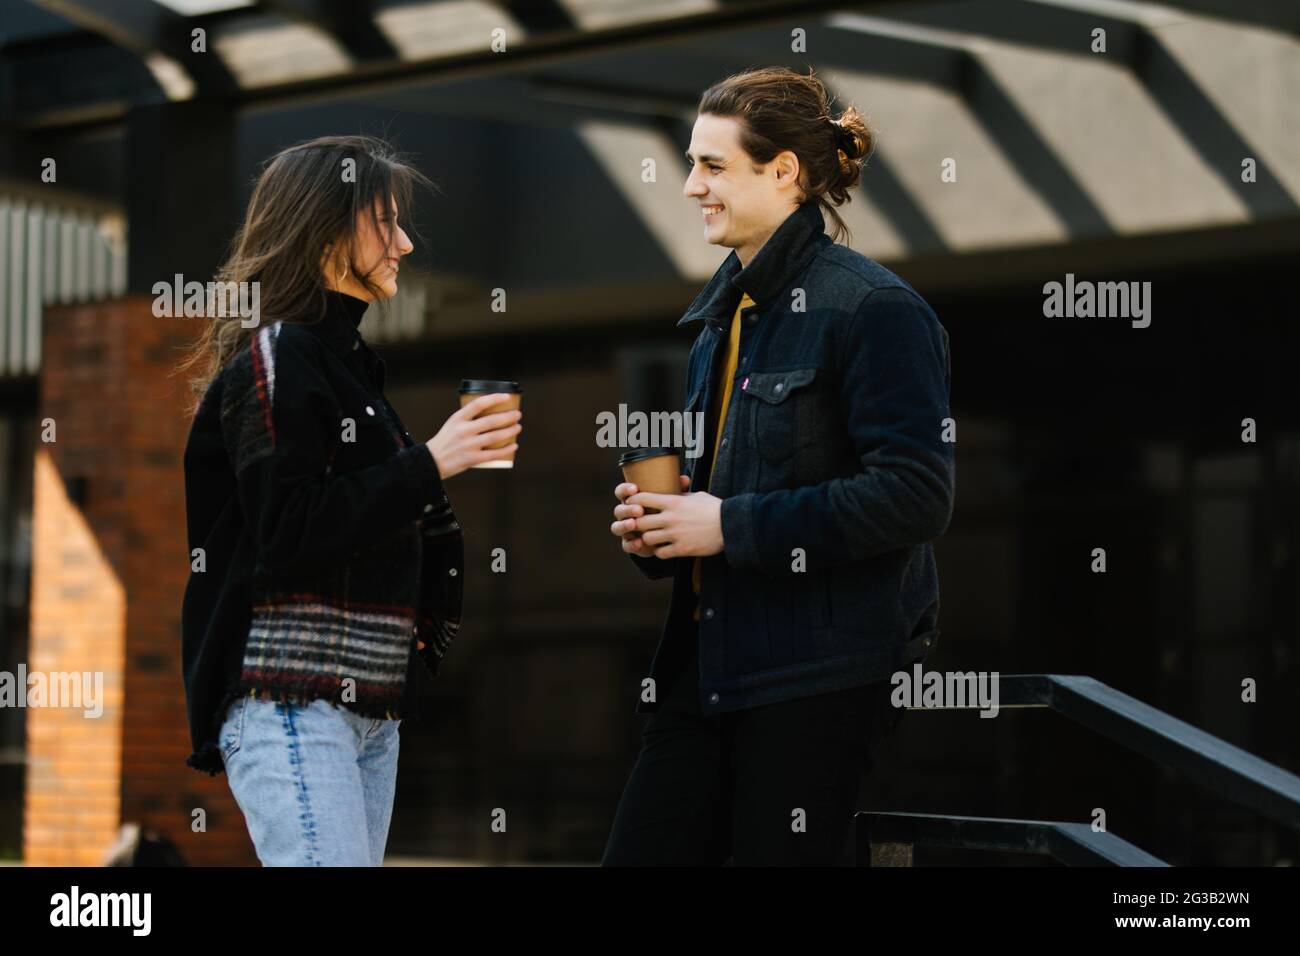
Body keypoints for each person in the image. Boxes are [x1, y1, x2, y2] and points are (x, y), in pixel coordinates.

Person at [603, 68, 954, 866]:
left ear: (784, 171)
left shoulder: (875, 309)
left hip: (816, 681)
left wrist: (724, 525)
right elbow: (730, 492)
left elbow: (916, 495)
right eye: (692, 163)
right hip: (704, 670)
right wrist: (662, 529)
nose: (691, 186)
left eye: (713, 166)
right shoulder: (717, 321)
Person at [177, 134, 522, 866]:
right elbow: (289, 530)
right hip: (292, 702)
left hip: (368, 709)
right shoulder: (280, 356)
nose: (403, 241)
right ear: (327, 227)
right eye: (384, 221)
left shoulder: (351, 372)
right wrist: (434, 460)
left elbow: (371, 519)